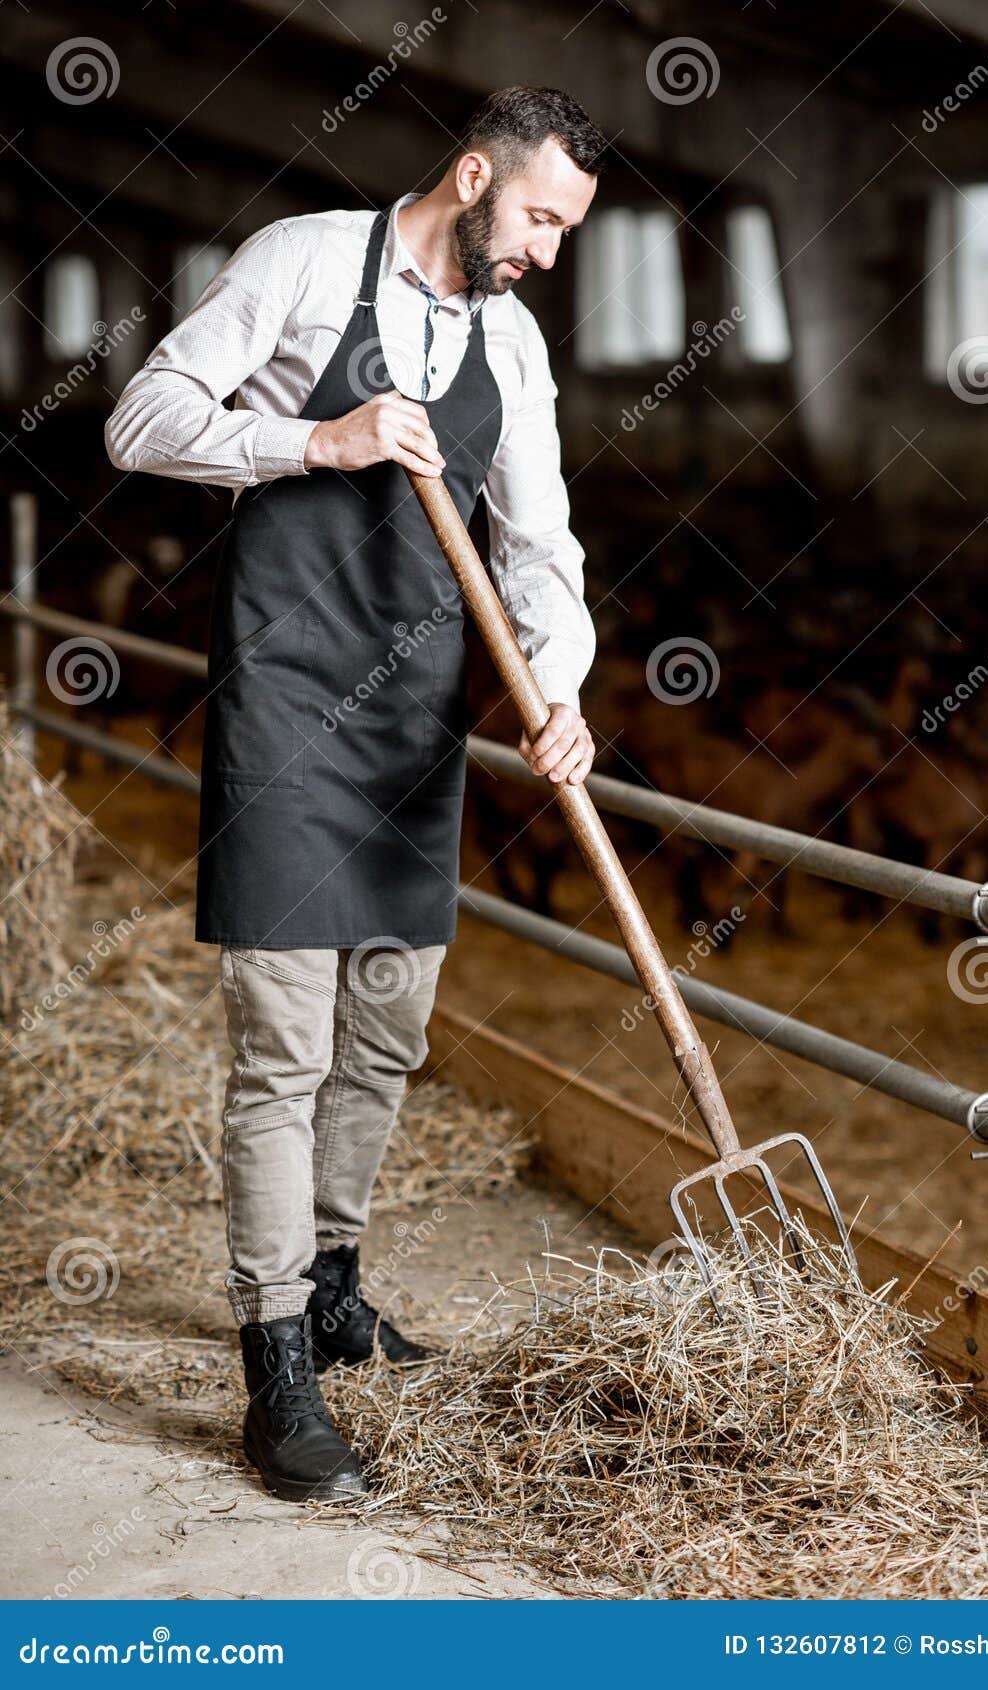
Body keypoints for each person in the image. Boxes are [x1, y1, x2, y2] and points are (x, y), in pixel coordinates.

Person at [104, 85, 604, 1501]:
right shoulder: (306, 266)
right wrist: (315, 441)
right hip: (285, 712)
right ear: (470, 176)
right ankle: (275, 1364)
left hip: (414, 729)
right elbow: (142, 419)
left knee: (386, 1034)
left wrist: (557, 691)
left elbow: (542, 547)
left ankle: (333, 1281)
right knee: (287, 1048)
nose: (551, 254)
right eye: (542, 219)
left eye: (571, 231)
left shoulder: (510, 341)